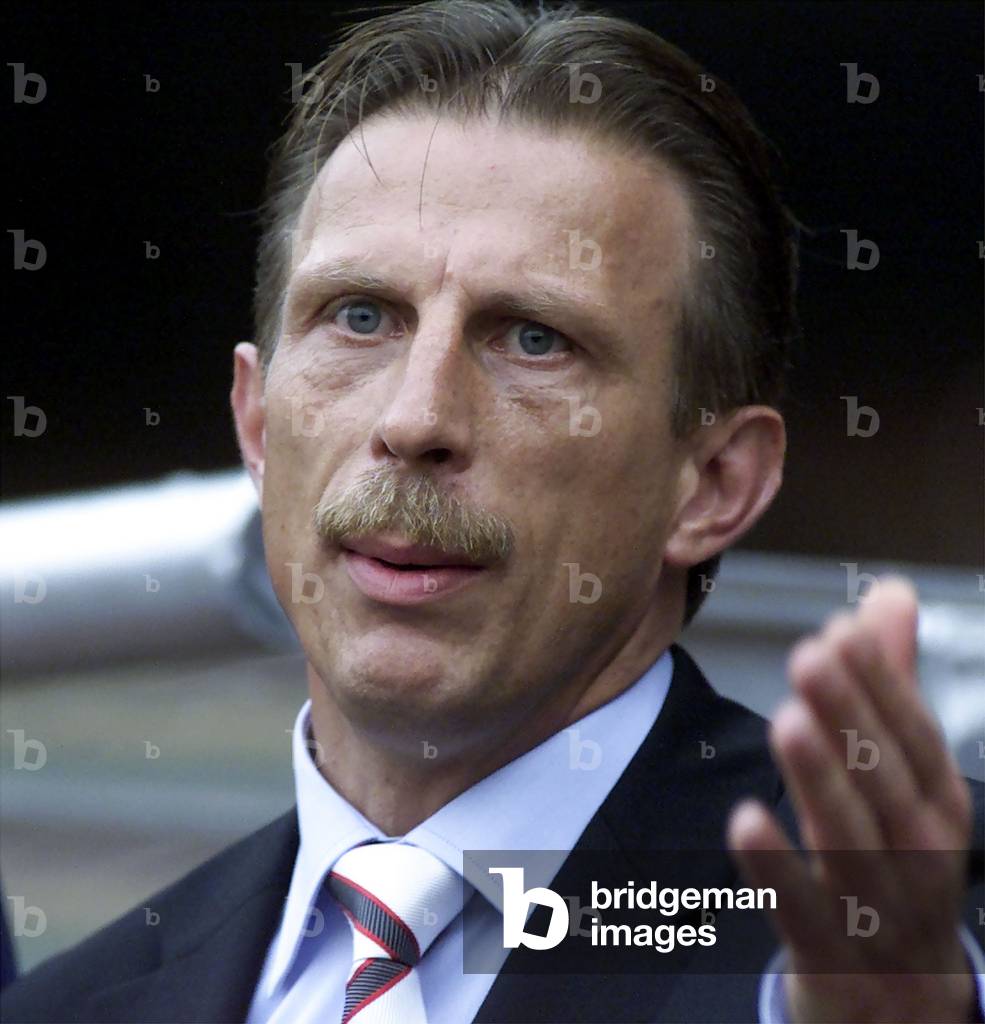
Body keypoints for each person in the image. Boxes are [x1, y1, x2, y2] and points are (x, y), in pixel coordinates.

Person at [2, 1, 982, 1021]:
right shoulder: (70, 1007)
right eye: (360, 317)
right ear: (256, 422)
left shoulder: (916, 932)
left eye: (533, 339)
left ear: (715, 482)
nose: (415, 419)